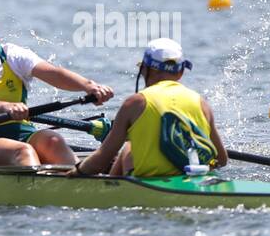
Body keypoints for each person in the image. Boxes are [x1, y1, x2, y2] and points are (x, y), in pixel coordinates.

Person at [0, 0, 113, 167]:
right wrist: (6, 107)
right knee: (23, 152)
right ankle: (43, 192)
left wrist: (89, 86)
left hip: (23, 130)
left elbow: (54, 74)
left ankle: (83, 182)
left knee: (54, 141)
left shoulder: (11, 54)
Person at [74, 38, 227, 177]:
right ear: (180, 73)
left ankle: (111, 188)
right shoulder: (201, 102)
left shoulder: (135, 103)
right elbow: (221, 159)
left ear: (145, 69)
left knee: (129, 147)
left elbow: (102, 160)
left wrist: (77, 171)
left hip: (148, 184)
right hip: (193, 180)